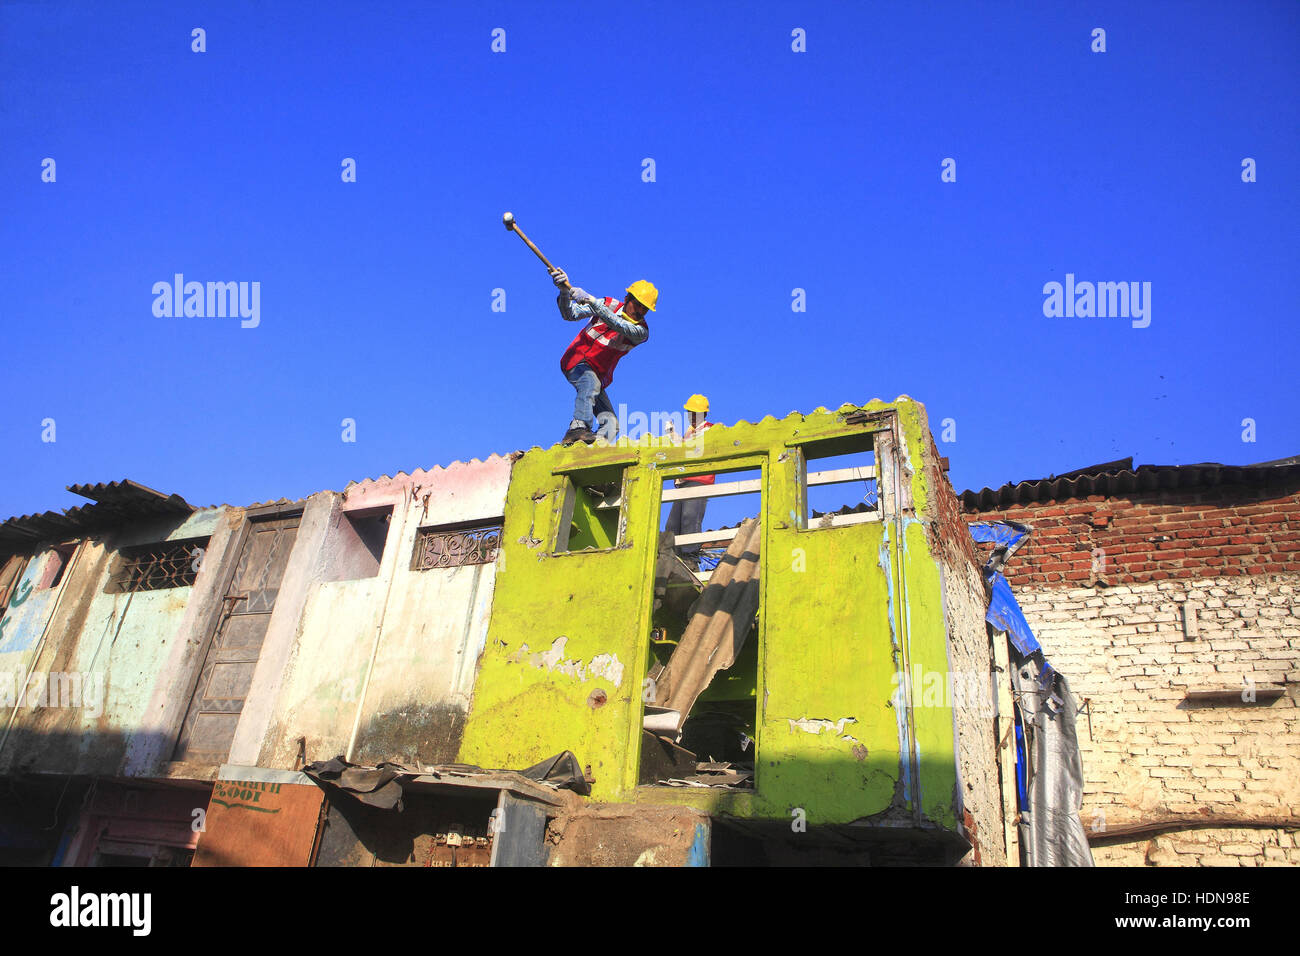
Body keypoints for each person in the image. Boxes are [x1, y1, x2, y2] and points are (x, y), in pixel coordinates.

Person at [549, 267, 657, 445]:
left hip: (596, 376)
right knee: (590, 383)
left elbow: (617, 324)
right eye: (637, 304)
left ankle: (589, 449)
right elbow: (570, 314)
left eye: (644, 309)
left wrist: (591, 301)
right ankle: (578, 428)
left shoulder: (641, 332)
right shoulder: (608, 304)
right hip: (576, 361)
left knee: (611, 424)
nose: (639, 311)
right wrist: (564, 294)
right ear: (627, 299)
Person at [664, 394, 716, 569]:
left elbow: (695, 448)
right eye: (690, 413)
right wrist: (672, 434)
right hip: (684, 482)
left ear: (703, 414)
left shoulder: (710, 429)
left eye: (695, 413)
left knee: (690, 517)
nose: (691, 416)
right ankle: (672, 560)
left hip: (699, 480)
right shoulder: (690, 432)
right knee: (672, 524)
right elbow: (683, 448)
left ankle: (690, 559)